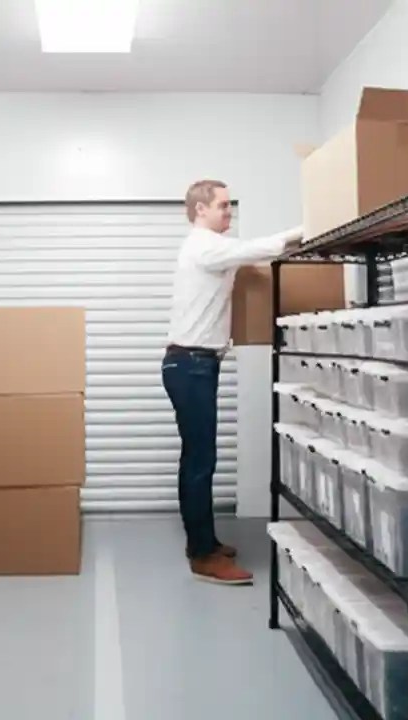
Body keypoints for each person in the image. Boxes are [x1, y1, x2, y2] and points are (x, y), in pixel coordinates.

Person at [163, 179, 305, 585]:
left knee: (198, 458)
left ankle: (202, 543)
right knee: (199, 461)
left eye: (230, 206)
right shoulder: (205, 245)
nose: (229, 212)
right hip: (190, 365)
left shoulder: (210, 248)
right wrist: (305, 228)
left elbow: (253, 253)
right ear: (200, 211)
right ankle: (203, 555)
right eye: (223, 206)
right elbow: (256, 250)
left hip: (194, 364)